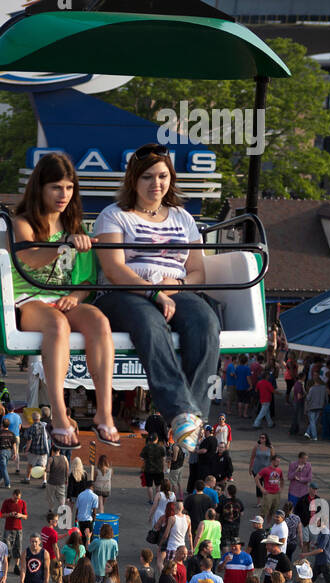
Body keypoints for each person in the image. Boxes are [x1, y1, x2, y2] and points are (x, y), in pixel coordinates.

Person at [93, 144, 220, 455]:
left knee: (206, 323)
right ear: (133, 181)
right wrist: (153, 292)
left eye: (163, 176)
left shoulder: (183, 218)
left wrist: (175, 285)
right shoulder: (114, 216)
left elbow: (197, 272)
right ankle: (178, 410)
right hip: (126, 293)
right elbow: (113, 269)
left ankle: (192, 417)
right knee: (150, 324)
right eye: (148, 177)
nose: (156, 184)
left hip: (174, 289)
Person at [11, 154, 118, 447]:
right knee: (57, 325)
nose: (64, 195)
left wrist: (75, 295)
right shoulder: (23, 223)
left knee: (98, 320)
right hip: (29, 298)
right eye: (56, 187)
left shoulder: (75, 226)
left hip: (62, 298)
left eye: (69, 188)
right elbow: (30, 259)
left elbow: (84, 280)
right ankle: (58, 412)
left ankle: (104, 412)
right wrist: (61, 246)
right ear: (40, 188)